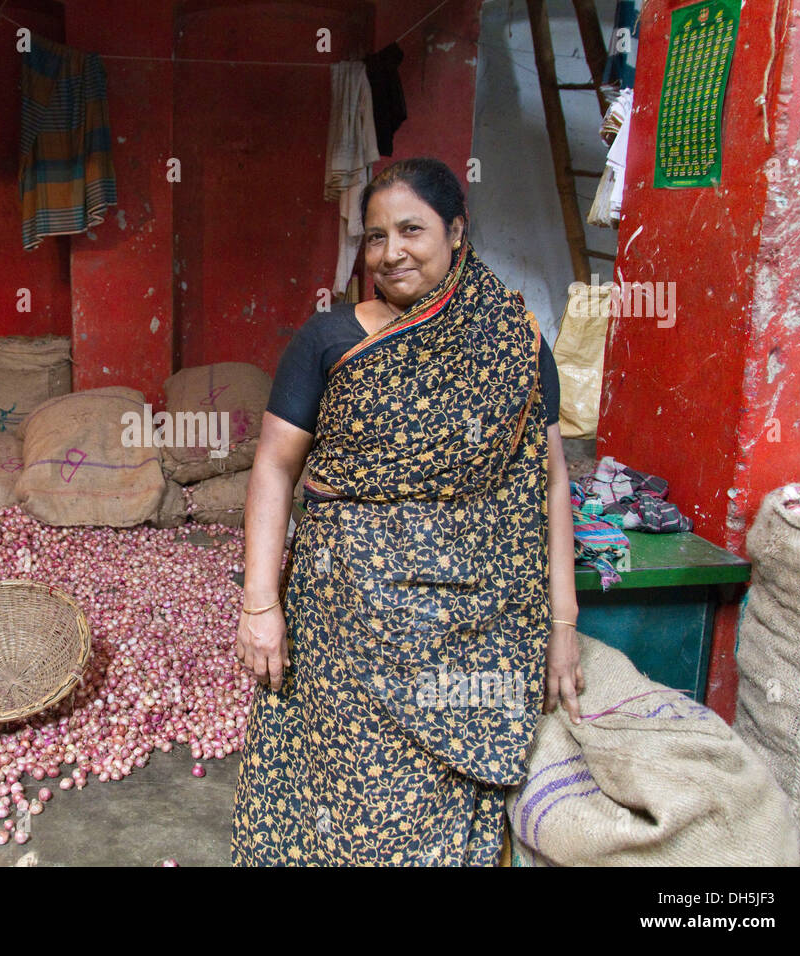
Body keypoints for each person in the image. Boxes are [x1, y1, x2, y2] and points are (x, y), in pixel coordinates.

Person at [230, 158, 582, 866]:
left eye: (412, 230)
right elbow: (273, 466)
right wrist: (260, 604)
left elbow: (548, 485)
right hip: (342, 627)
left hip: (470, 630)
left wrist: (562, 625)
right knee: (346, 804)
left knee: (446, 814)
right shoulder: (329, 340)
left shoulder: (513, 345)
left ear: (457, 231)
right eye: (375, 236)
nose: (391, 253)